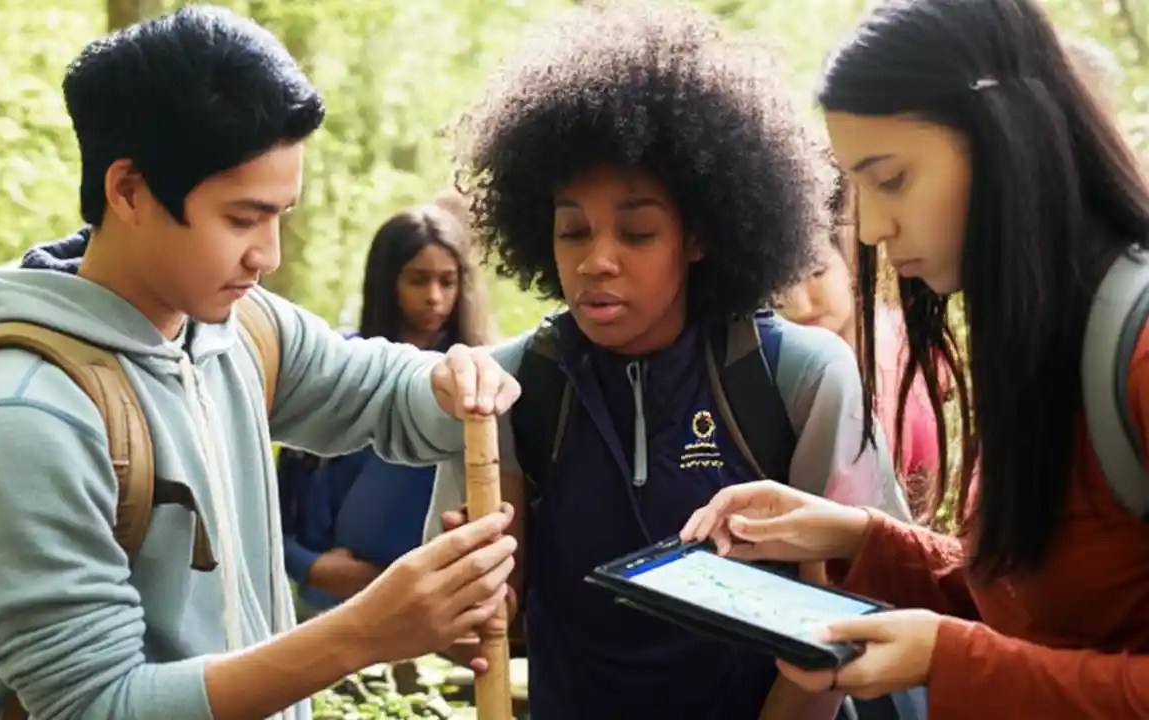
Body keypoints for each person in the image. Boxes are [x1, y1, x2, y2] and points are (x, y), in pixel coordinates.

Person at [0, 8, 521, 720]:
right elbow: (97, 707)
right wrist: (363, 633)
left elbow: (384, 393)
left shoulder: (238, 328)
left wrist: (454, 380)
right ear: (127, 191)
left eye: (280, 216)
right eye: (242, 219)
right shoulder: (23, 419)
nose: (267, 255)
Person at [425, 3, 911, 718]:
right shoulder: (504, 390)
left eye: (639, 231)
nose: (597, 260)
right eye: (572, 231)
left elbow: (843, 638)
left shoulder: (798, 379)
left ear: (700, 237)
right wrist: (469, 596)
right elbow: (468, 635)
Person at [681, 0, 1149, 717]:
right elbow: (1044, 604)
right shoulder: (1047, 337)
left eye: (891, 178)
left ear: (1006, 141)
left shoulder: (1136, 351)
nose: (870, 226)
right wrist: (861, 536)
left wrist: (950, 658)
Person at [277, 201, 491, 617]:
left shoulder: (479, 380)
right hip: (329, 605)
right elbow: (273, 507)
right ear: (386, 280)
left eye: (447, 282)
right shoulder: (338, 368)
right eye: (418, 280)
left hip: (435, 604)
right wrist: (312, 567)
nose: (434, 298)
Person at [778, 168, 942, 517]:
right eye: (779, 285)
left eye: (817, 273)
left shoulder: (903, 348)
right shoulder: (783, 366)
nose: (799, 303)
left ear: (853, 253)